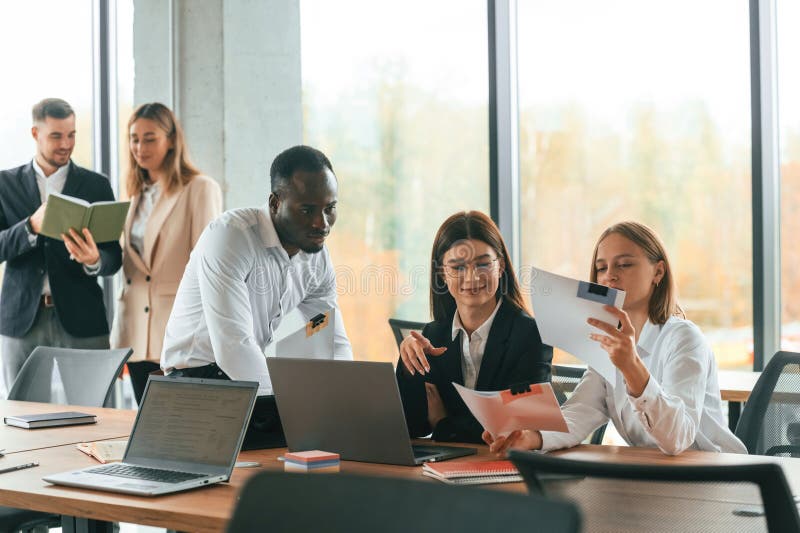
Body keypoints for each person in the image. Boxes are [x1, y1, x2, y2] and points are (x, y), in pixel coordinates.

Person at [484, 221, 746, 455]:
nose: (610, 275)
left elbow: (677, 439)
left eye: (624, 264)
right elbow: (578, 413)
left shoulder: (684, 339)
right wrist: (529, 438)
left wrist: (631, 366)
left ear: (658, 272)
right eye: (601, 268)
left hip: (717, 475)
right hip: (658, 475)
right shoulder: (608, 342)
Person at [161, 144, 353, 393]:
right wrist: (283, 406)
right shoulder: (231, 237)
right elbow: (234, 346)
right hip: (194, 380)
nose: (322, 223)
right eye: (307, 210)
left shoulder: (317, 258)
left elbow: (329, 335)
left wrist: (349, 393)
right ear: (275, 203)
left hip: (248, 375)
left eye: (329, 209)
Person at [396, 210, 552, 444]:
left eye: (483, 264)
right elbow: (412, 427)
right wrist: (408, 365)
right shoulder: (433, 336)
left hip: (506, 472)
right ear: (442, 273)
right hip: (444, 473)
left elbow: (518, 428)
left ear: (500, 267)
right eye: (458, 267)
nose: (471, 277)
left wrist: (443, 424)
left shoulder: (530, 335)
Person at [0, 98, 122, 393]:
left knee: (94, 414)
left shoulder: (97, 185)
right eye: (56, 135)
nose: (66, 143)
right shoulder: (5, 184)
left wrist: (94, 259)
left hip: (83, 318)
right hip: (21, 321)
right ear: (35, 134)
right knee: (24, 419)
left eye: (71, 134)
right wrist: (30, 227)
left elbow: (114, 258)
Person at [110, 103, 222, 404]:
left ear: (171, 140)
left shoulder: (199, 188)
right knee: (144, 429)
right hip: (134, 332)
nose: (139, 147)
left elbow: (208, 267)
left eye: (150, 138)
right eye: (134, 138)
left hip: (177, 330)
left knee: (177, 429)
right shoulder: (134, 194)